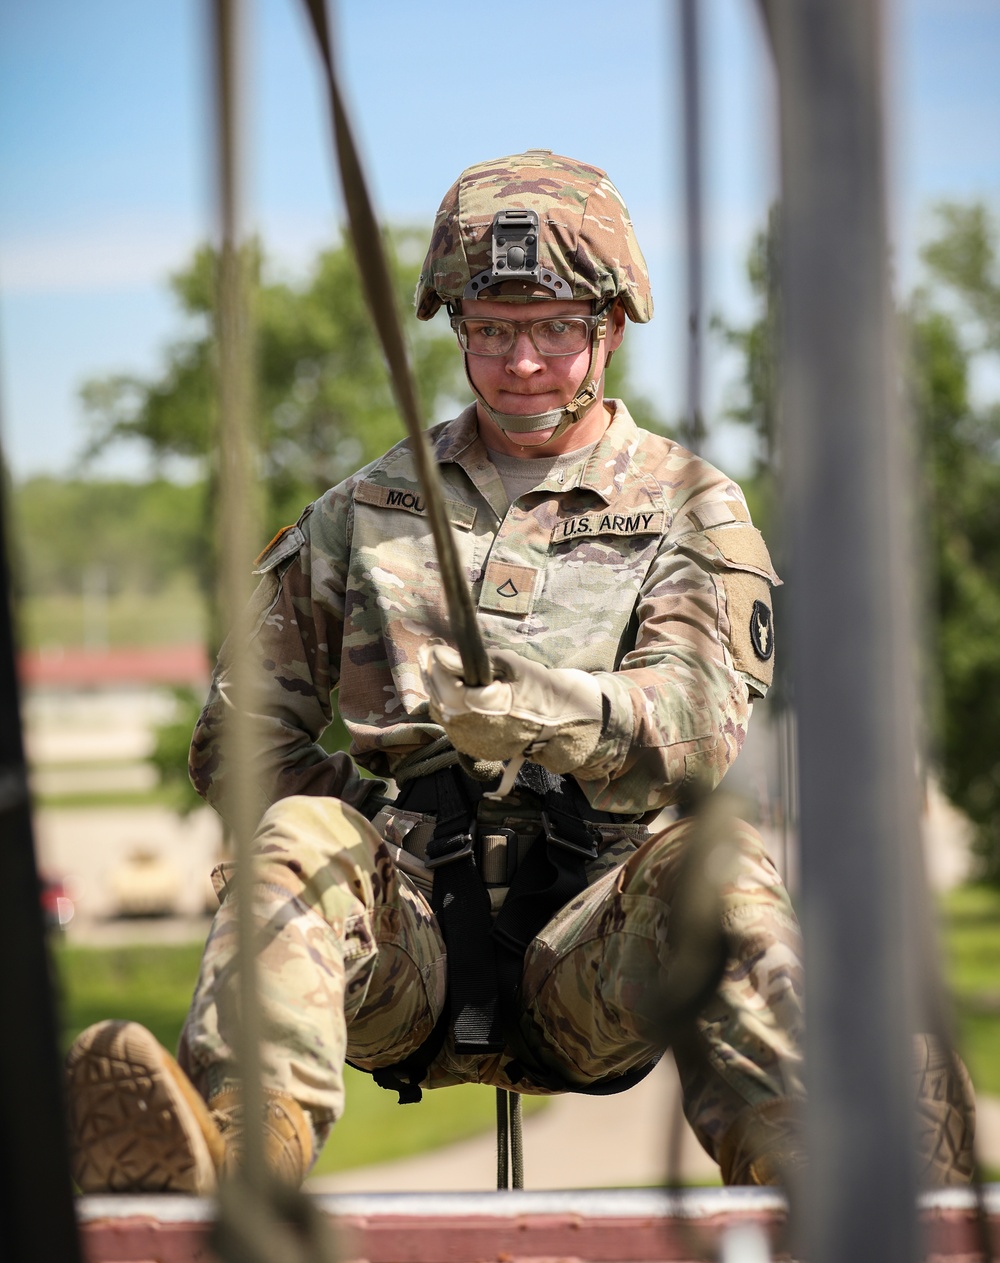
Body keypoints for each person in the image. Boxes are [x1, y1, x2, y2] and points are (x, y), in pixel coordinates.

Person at [65, 150, 970, 1194]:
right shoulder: (364, 511)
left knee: (717, 866)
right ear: (457, 328)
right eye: (490, 329)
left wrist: (554, 714)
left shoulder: (688, 505)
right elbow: (239, 742)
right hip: (406, 954)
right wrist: (376, 825)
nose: (522, 362)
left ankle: (824, 1177)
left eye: (554, 328)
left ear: (610, 326)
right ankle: (235, 1162)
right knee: (295, 834)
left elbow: (698, 727)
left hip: (598, 949)